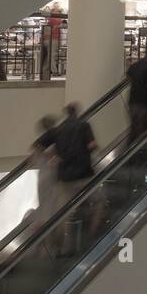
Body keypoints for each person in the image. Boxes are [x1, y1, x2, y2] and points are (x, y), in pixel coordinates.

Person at [53, 103, 99, 250]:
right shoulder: (84, 125)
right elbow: (93, 145)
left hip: (65, 178)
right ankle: (93, 233)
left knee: (64, 213)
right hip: (83, 175)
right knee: (99, 201)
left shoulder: (58, 130)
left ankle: (60, 245)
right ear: (76, 113)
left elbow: (55, 154)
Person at [125, 46, 147, 147]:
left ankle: (127, 153)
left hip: (132, 102)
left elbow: (127, 76)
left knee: (134, 128)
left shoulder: (134, 66)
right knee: (143, 129)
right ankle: (140, 152)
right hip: (143, 103)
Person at [30, 114, 61, 220]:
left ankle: (45, 222)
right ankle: (47, 222)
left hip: (47, 174)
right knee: (50, 199)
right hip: (51, 173)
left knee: (46, 199)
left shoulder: (42, 141)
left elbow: (34, 158)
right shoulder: (57, 137)